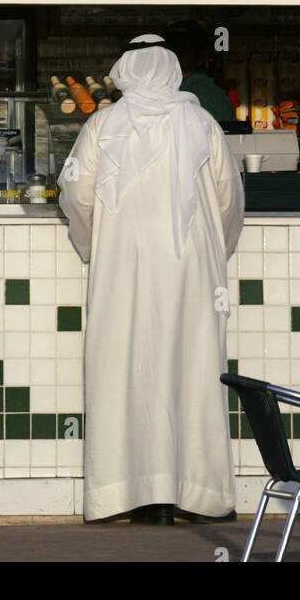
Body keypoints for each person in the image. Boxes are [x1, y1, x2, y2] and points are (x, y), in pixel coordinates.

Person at [58, 32, 245, 526]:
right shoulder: (202, 122)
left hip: (123, 269)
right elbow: (231, 200)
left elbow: (76, 194)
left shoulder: (103, 123)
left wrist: (94, 246)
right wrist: (212, 254)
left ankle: (129, 495)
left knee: (124, 370)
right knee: (194, 371)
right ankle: (199, 495)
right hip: (192, 271)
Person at [166, 19, 235, 124]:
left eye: (182, 50)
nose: (175, 55)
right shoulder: (209, 90)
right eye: (172, 49)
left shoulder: (195, 93)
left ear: (201, 56)